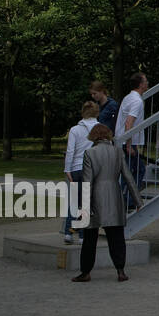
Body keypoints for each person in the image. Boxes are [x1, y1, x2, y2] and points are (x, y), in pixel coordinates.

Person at [71, 124, 141, 282]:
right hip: (114, 195)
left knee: (90, 238)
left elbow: (87, 181)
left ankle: (86, 272)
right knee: (116, 236)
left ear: (93, 136)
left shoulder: (89, 153)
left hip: (96, 196)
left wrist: (85, 206)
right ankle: (120, 270)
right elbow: (128, 177)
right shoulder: (117, 151)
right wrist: (137, 200)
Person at [61, 102, 99, 244]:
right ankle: (82, 235)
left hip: (76, 168)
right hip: (91, 168)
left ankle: (68, 233)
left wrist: (67, 169)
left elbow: (70, 151)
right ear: (96, 112)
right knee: (86, 204)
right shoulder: (99, 129)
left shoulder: (75, 130)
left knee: (74, 203)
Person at [116, 73, 149, 209]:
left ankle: (125, 200)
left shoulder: (128, 97)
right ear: (141, 84)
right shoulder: (137, 101)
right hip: (128, 142)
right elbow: (129, 123)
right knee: (137, 171)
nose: (147, 83)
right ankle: (128, 201)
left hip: (123, 141)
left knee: (128, 172)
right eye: (146, 81)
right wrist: (129, 145)